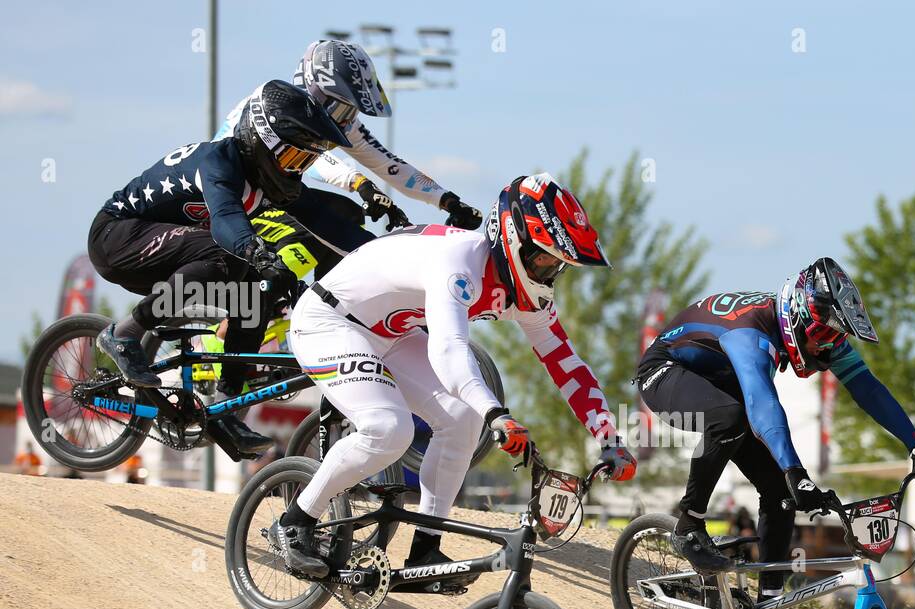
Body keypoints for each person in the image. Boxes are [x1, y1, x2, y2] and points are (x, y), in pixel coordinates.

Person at [268, 173, 637, 580]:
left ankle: (426, 549)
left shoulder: (526, 293)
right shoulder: (459, 262)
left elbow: (566, 363)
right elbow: (448, 350)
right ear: (515, 242)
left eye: (560, 266)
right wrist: (497, 413)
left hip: (391, 334)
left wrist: (610, 438)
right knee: (390, 429)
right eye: (546, 260)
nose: (550, 274)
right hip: (330, 322)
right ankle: (295, 522)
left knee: (463, 420)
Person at [636, 257, 915, 609]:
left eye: (832, 341)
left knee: (779, 493)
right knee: (730, 419)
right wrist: (796, 471)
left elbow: (868, 389)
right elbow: (762, 403)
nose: (825, 350)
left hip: (724, 387)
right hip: (665, 372)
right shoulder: (751, 332)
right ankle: (689, 525)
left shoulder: (817, 332)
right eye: (821, 339)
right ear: (799, 318)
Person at [89, 81, 350, 459]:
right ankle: (124, 334)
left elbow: (331, 225)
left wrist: (387, 254)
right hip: (116, 237)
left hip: (168, 253)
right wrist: (259, 255)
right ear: (264, 141)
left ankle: (226, 406)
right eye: (292, 159)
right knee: (232, 255)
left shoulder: (269, 180)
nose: (296, 170)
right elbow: (227, 221)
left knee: (257, 294)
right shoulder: (219, 162)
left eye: (304, 163)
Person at [215, 40, 481, 246]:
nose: (345, 122)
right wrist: (358, 183)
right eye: (342, 109)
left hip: (265, 197)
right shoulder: (277, 104)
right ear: (315, 90)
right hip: (229, 197)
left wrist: (446, 200)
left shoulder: (337, 120)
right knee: (328, 224)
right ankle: (282, 301)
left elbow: (388, 164)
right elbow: (312, 160)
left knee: (348, 217)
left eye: (351, 113)